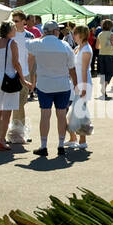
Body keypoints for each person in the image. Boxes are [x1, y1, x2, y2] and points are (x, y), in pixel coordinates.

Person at [28, 21, 80, 157]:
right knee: (61, 115)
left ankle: (44, 146)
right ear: (56, 31)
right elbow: (72, 69)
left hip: (44, 85)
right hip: (62, 85)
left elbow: (27, 47)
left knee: (45, 115)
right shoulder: (65, 46)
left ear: (45, 31)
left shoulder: (37, 44)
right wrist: (76, 84)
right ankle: (61, 145)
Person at [0, 21, 27, 152]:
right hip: (9, 79)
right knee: (7, 111)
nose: (15, 29)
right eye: (14, 28)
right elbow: (16, 63)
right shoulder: (12, 43)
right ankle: (1, 140)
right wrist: (23, 79)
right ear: (9, 30)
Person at [8, 11, 32, 143]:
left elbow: (32, 58)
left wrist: (33, 77)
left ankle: (16, 132)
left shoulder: (30, 36)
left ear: (24, 21)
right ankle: (17, 133)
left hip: (26, 73)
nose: (14, 23)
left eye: (16, 21)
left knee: (21, 103)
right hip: (12, 73)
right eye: (13, 20)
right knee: (16, 104)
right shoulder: (10, 36)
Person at [70, 24, 95, 151]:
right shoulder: (79, 48)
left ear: (81, 34)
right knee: (78, 112)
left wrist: (84, 87)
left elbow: (85, 70)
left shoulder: (85, 50)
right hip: (78, 83)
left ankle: (82, 140)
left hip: (83, 83)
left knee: (80, 112)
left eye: (75, 33)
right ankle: (75, 138)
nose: (73, 35)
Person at [95, 18, 113, 99]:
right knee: (110, 72)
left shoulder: (100, 34)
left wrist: (103, 46)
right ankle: (104, 87)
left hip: (101, 55)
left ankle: (103, 88)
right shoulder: (111, 34)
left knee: (102, 72)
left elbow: (97, 46)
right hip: (109, 55)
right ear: (110, 26)